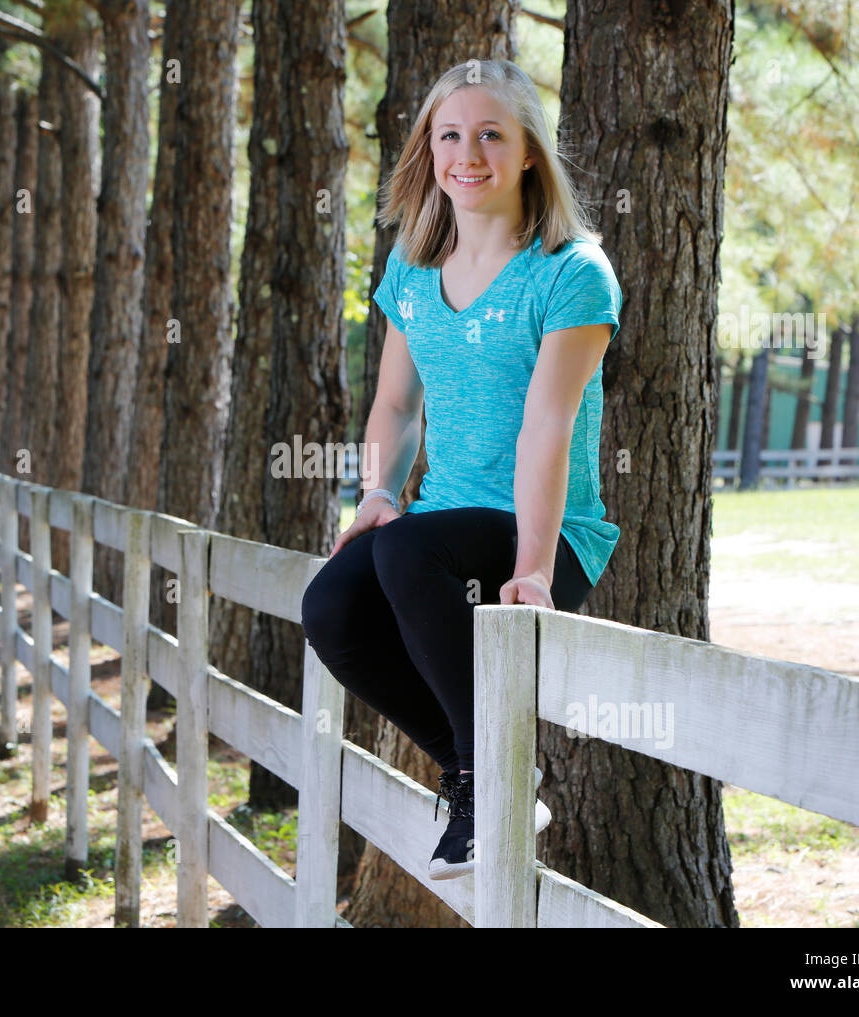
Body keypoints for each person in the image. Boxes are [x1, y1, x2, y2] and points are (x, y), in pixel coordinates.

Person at [299, 59, 623, 881]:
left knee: (409, 550)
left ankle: (491, 785)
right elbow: (396, 408)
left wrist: (536, 569)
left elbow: (549, 425)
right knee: (331, 602)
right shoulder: (411, 268)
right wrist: (377, 491)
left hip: (545, 531)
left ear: (527, 155)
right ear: (429, 150)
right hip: (440, 534)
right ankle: (479, 768)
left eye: (490, 134)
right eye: (450, 135)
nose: (467, 153)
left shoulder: (570, 272)